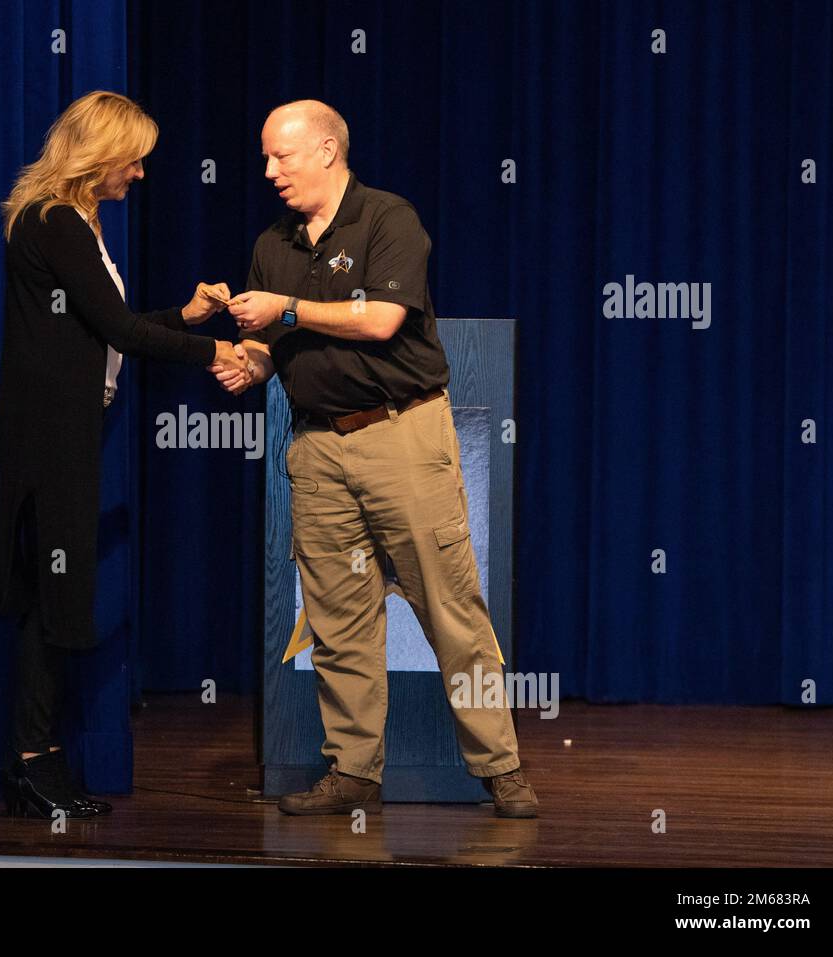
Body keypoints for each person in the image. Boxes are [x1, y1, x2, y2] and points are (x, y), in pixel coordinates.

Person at [217, 99, 539, 818]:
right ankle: (354, 771)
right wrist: (245, 363)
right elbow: (273, 349)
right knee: (337, 620)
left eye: (283, 156)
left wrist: (287, 310)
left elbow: (382, 319)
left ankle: (503, 767)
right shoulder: (273, 243)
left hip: (401, 437)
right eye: (265, 158)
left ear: (328, 150)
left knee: (450, 606)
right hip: (317, 448)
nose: (269, 171)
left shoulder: (388, 219)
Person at [0, 91, 246, 819]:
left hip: (57, 431)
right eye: (134, 158)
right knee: (51, 599)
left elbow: (107, 328)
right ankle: (32, 759)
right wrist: (217, 347)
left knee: (50, 598)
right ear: (101, 155)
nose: (140, 173)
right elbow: (120, 333)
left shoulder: (69, 222)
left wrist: (184, 319)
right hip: (48, 436)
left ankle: (34, 757)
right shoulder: (57, 221)